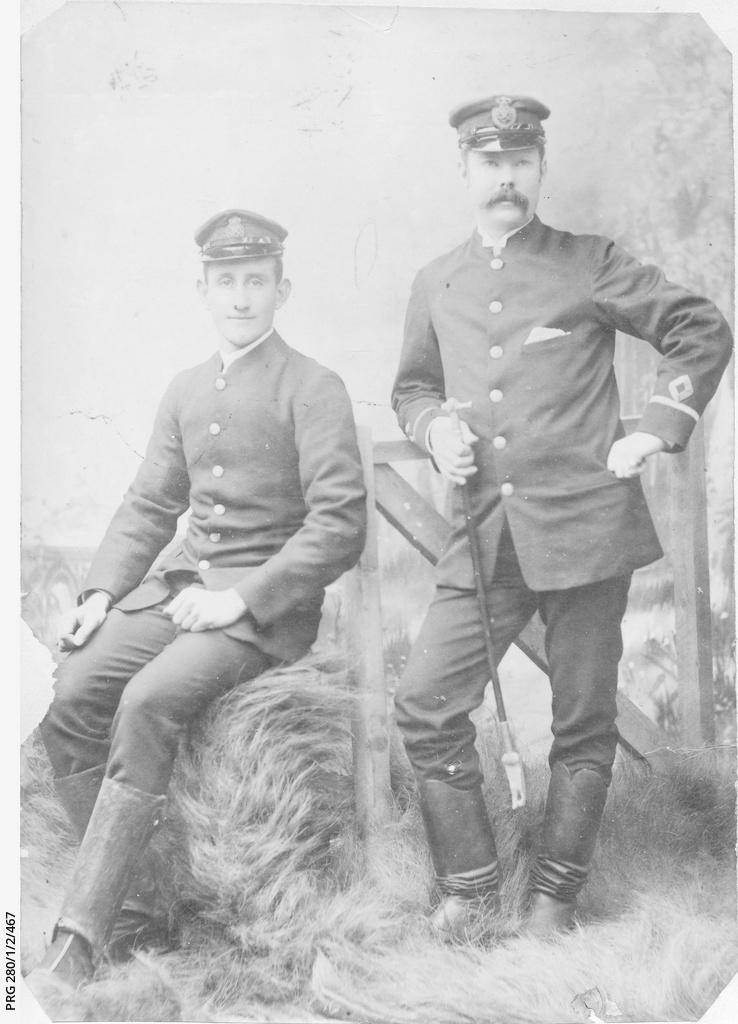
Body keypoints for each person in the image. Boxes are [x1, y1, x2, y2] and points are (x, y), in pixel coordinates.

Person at [391, 95, 732, 938]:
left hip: (587, 532)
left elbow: (699, 327)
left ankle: (553, 901)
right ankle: (472, 892)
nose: (505, 177)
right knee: (426, 706)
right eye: (489, 163)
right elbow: (413, 387)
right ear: (463, 172)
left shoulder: (588, 262)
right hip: (486, 541)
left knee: (584, 725)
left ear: (540, 169)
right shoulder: (435, 281)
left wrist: (656, 428)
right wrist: (435, 430)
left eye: (520, 162)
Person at [27, 209, 367, 999]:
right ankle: (140, 906)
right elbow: (151, 503)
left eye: (256, 281)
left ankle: (77, 939)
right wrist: (100, 594)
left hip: (262, 609)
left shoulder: (313, 387)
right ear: (202, 290)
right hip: (180, 589)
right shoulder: (185, 389)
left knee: (146, 701)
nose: (241, 297)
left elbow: (340, 525)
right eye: (226, 282)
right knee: (69, 695)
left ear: (282, 288)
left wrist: (239, 599)